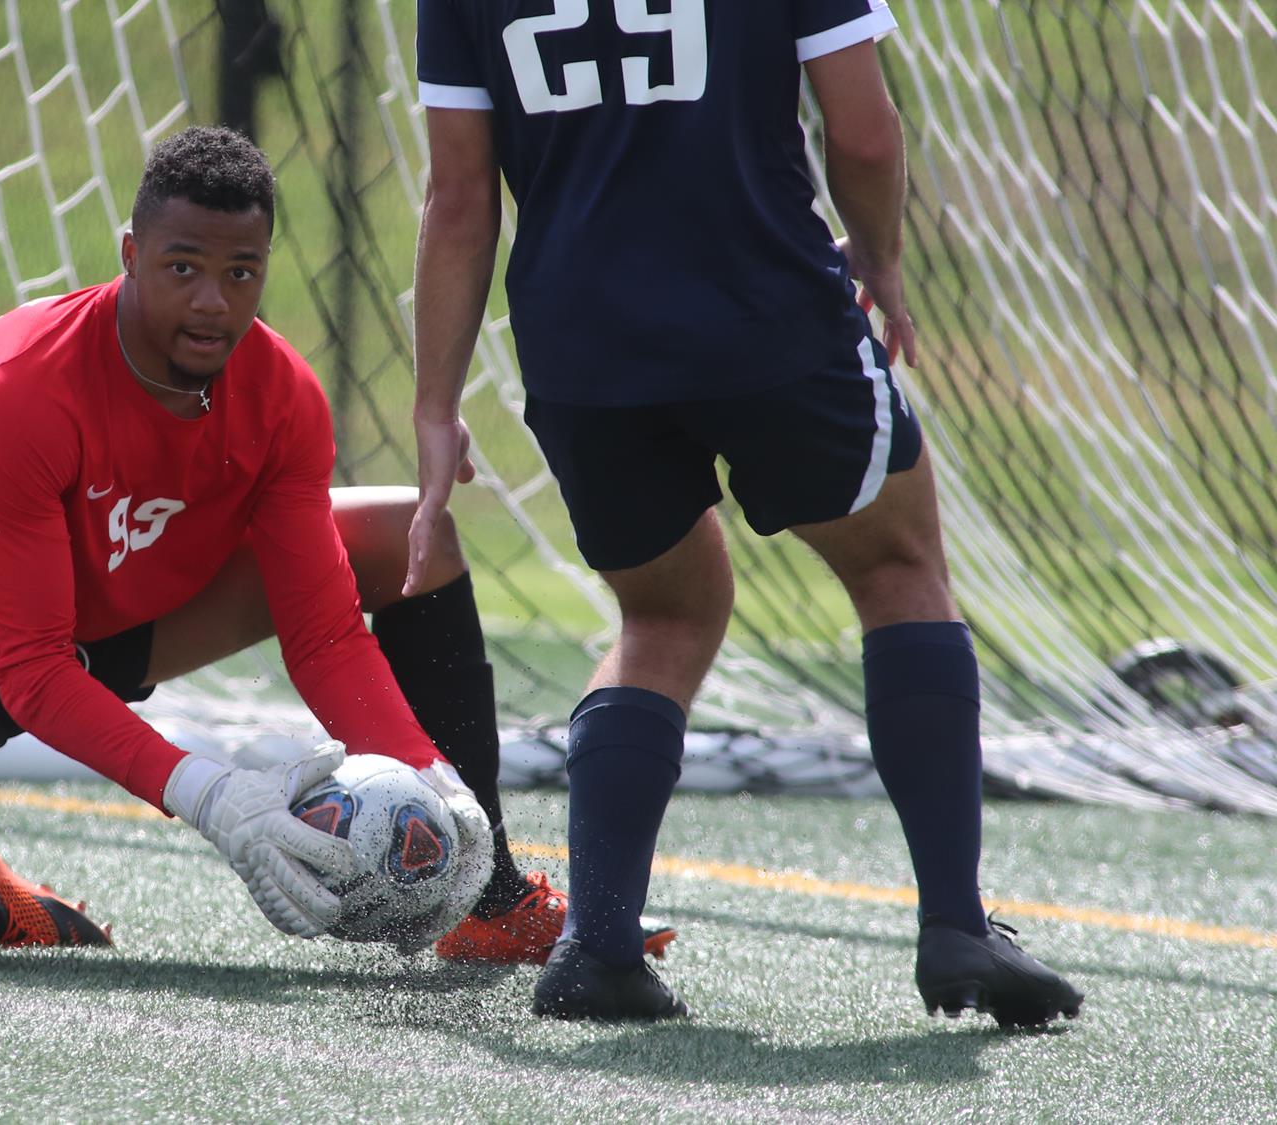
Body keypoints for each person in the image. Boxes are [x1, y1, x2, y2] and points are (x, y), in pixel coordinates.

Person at [0, 125, 674, 968]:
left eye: (241, 272)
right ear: (129, 254)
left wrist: (433, 781)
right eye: (182, 267)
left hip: (119, 615)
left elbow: (325, 632)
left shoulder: (283, 397)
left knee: (412, 532)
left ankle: (486, 896)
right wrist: (215, 797)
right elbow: (30, 668)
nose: (211, 303)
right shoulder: (15, 388)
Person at [407, 0, 1084, 1026]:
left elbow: (459, 194)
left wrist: (434, 404)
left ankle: (597, 945)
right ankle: (953, 920)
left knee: (661, 617)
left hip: (583, 349)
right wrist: (880, 258)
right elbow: (860, 127)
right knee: (897, 569)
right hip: (765, 315)